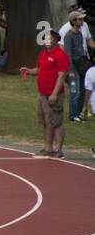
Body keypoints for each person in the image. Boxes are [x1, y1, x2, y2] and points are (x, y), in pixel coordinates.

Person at [21, 30, 70, 158]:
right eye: (45, 39)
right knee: (45, 121)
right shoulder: (43, 53)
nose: (47, 41)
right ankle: (48, 148)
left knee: (56, 122)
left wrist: (54, 94)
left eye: (49, 39)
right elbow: (39, 69)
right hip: (42, 93)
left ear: (55, 40)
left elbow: (61, 76)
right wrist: (29, 70)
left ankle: (58, 150)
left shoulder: (61, 55)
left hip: (54, 94)